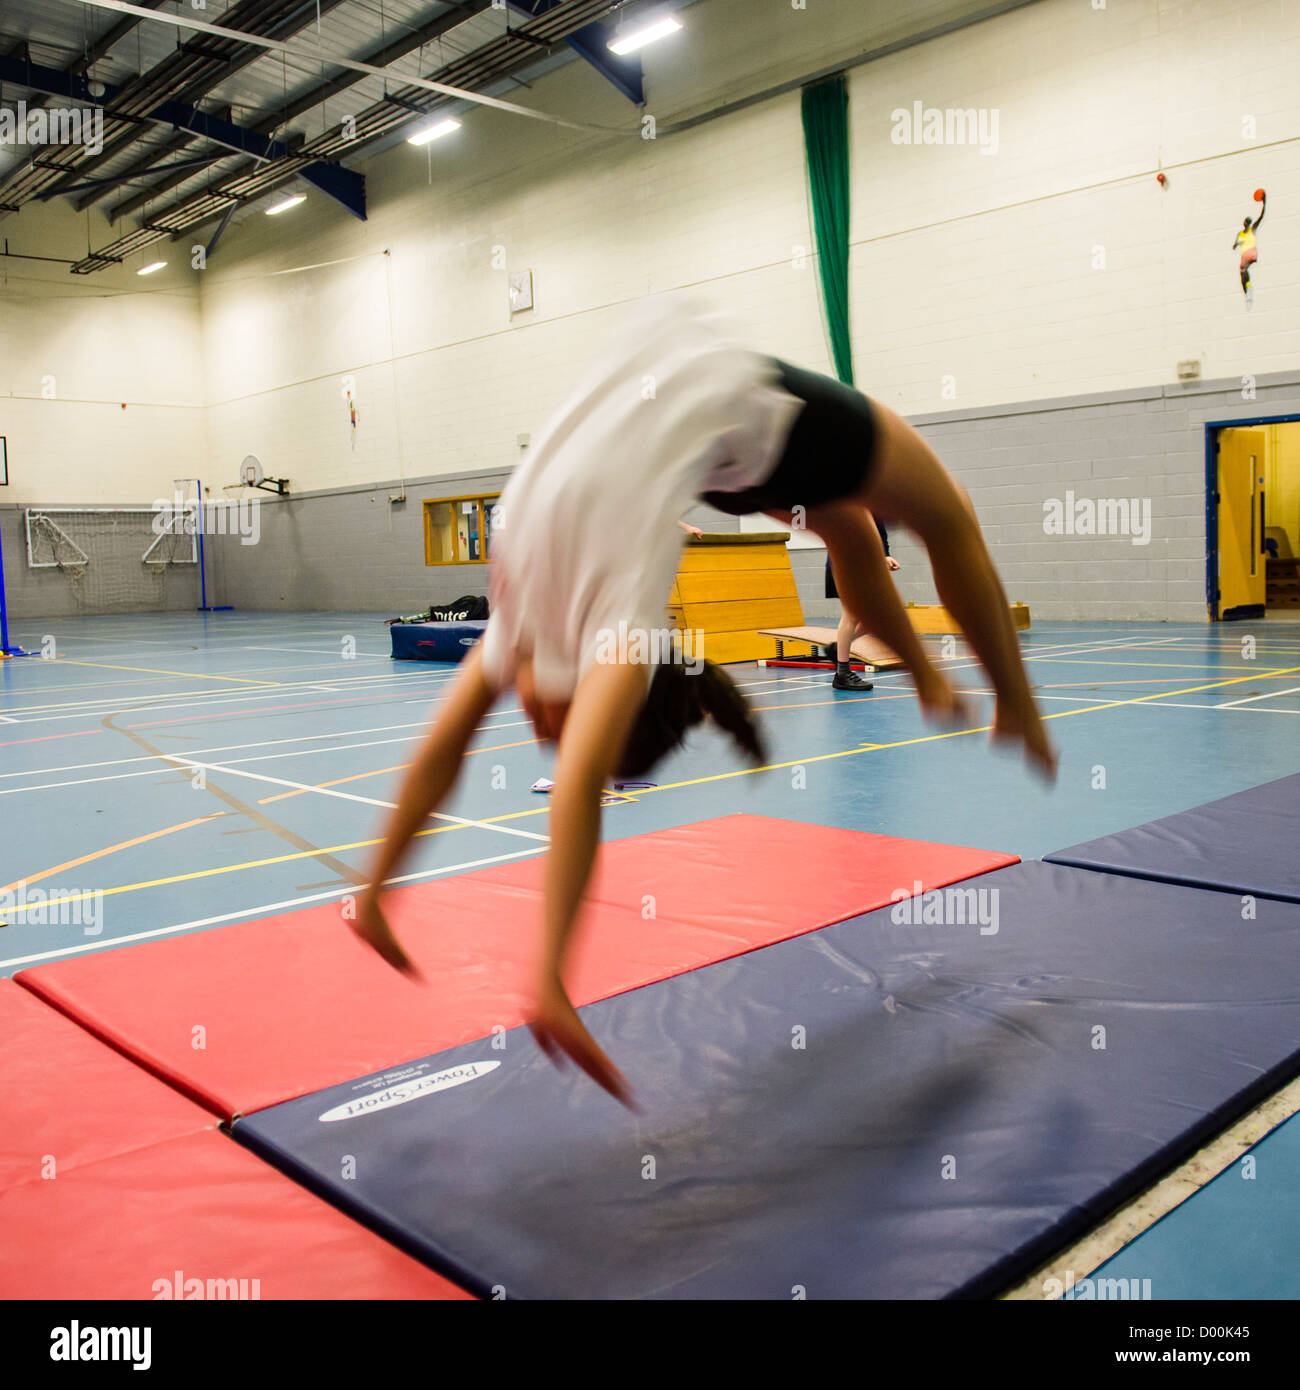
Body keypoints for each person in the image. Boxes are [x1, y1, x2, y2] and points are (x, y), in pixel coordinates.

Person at [353, 297, 1055, 1103]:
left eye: (546, 735)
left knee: (869, 532)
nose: (538, 730)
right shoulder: (617, 633)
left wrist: (378, 892)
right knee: (939, 512)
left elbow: (448, 753)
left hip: (720, 430)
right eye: (557, 734)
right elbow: (568, 787)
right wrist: (544, 975)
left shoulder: (524, 633)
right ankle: (1002, 702)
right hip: (737, 421)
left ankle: (987, 695)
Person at [824, 518, 899, 690]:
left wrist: (885, 554)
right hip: (845, 562)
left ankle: (838, 648)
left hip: (864, 564)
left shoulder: (873, 500)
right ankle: (842, 673)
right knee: (850, 616)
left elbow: (879, 528)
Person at [1234, 192, 1266, 302]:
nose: (1245, 223)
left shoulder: (1252, 229)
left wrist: (1264, 203)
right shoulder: (1241, 234)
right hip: (1244, 255)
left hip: (1250, 253)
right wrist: (1236, 245)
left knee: (1244, 269)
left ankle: (1248, 289)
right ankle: (1247, 290)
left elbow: (1261, 217)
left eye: (1247, 222)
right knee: (1242, 275)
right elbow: (1236, 243)